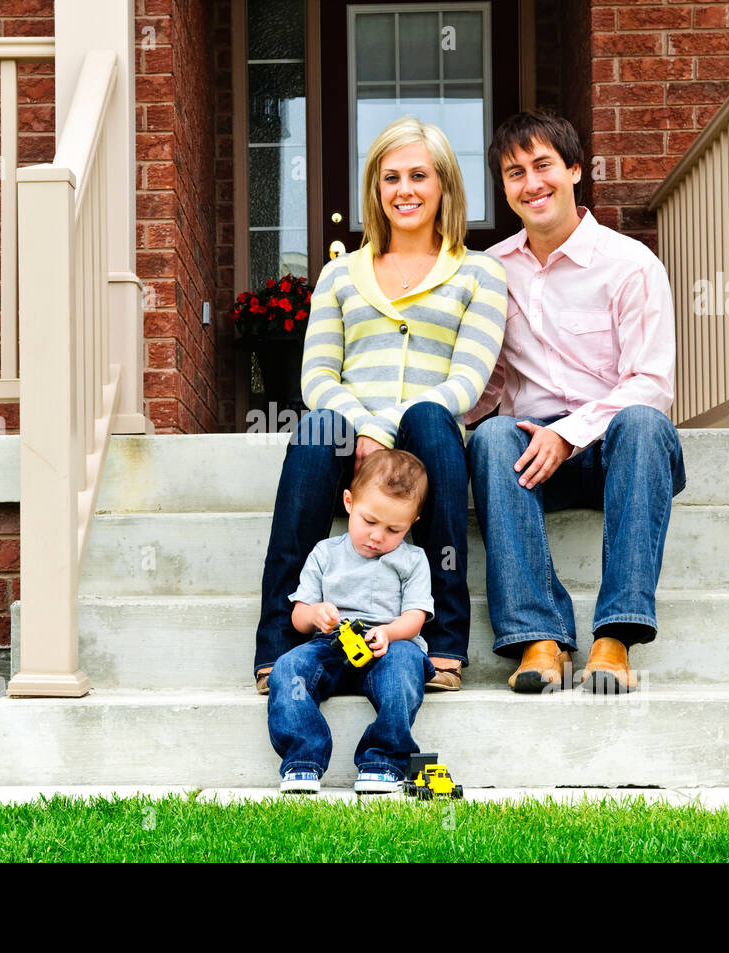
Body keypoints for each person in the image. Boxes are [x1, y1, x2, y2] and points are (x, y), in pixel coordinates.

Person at [252, 116, 508, 696]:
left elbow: (467, 380)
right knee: (318, 425)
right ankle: (278, 642)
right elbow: (316, 372)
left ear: (444, 184)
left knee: (431, 418)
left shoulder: (480, 273)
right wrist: (362, 426)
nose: (405, 190)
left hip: (425, 444)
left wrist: (387, 430)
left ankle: (443, 646)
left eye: (419, 175)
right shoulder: (340, 274)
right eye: (390, 177)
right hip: (349, 441)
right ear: (376, 188)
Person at [465, 111, 687, 695]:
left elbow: (651, 383)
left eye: (544, 166)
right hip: (532, 459)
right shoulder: (491, 272)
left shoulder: (631, 264)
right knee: (490, 436)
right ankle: (539, 638)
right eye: (516, 173)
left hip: (618, 450)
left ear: (574, 171)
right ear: (505, 189)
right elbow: (485, 386)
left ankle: (614, 638)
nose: (532, 183)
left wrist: (569, 432)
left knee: (644, 423)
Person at [267, 450, 434, 794]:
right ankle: (303, 758)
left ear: (412, 524)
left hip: (391, 648)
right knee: (287, 668)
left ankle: (383, 760)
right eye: (369, 521)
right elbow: (299, 617)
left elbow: (415, 618)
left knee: (405, 668)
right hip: (330, 646)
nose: (377, 536)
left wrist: (388, 633)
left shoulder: (413, 560)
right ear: (348, 502)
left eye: (393, 529)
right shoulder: (325, 553)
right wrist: (316, 614)